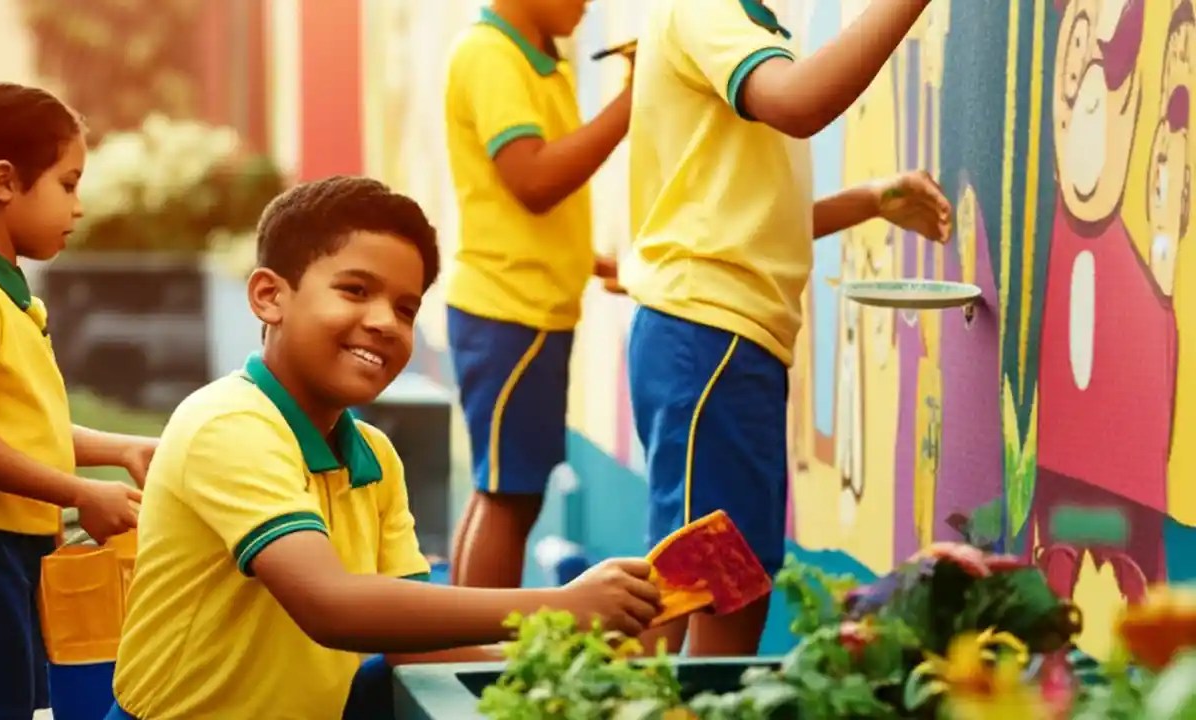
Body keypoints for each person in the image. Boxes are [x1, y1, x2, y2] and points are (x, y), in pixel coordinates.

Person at [108, 176, 660, 719]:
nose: (384, 323)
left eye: (405, 309)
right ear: (270, 296)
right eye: (355, 290)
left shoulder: (372, 455)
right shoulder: (228, 422)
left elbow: (415, 646)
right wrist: (562, 606)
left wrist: (568, 670)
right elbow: (331, 607)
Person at [624, 0, 953, 657]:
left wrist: (870, 199)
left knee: (729, 584)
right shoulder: (705, 11)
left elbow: (752, 218)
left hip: (723, 340)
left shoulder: (754, 29)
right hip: (706, 335)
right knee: (707, 588)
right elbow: (801, 102)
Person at [0, 82, 155, 719]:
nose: (79, 206)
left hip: (11, 545)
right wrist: (81, 493)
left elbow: (22, 428)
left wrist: (122, 448)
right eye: (68, 183)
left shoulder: (4, 293)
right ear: (3, 182)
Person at [443, 0, 631, 589]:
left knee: (507, 491)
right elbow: (534, 180)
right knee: (508, 496)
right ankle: (468, 651)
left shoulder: (545, 60)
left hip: (528, 310)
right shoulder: (491, 55)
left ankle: (460, 643)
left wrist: (589, 258)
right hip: (508, 311)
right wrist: (633, 101)